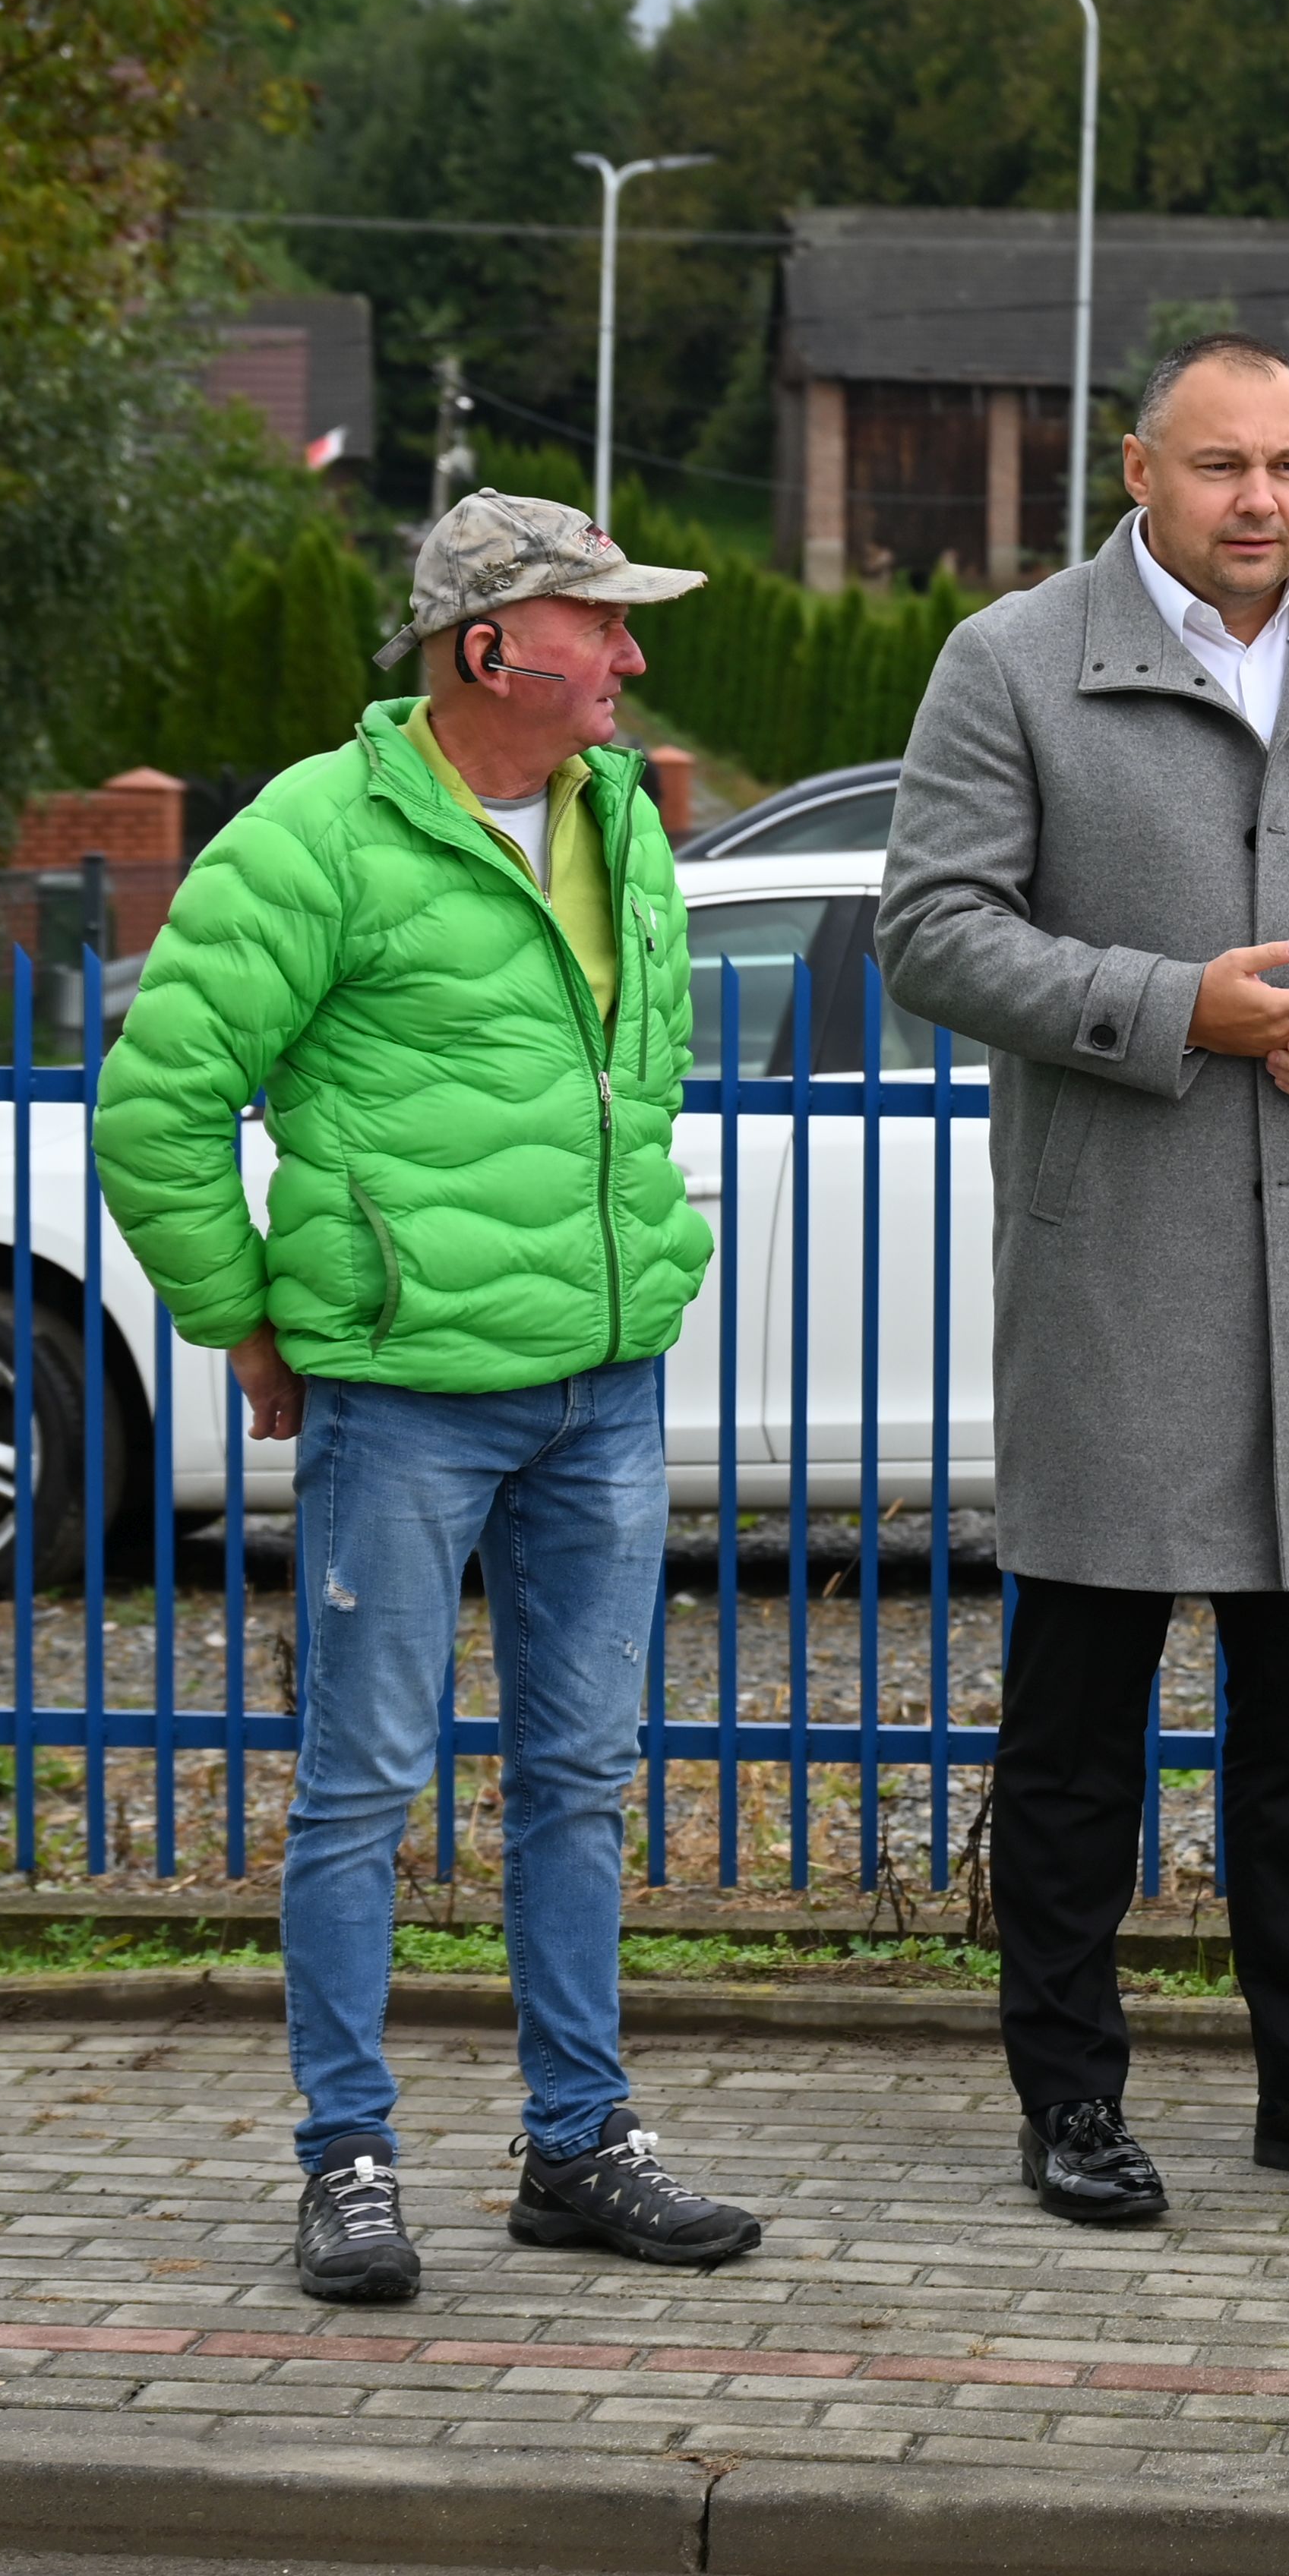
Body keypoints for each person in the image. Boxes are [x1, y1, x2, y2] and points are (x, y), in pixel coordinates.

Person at [877, 331, 1289, 2227]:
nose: (1264, 501)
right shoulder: (1010, 660)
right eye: (1225, 465)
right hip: (1117, 1278)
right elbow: (929, 925)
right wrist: (1176, 1007)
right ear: (1138, 467)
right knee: (1079, 1741)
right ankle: (1070, 2095)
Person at [93, 490, 761, 2306]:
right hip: (405, 1397)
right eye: (600, 624)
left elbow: (641, 1078)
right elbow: (154, 1109)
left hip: (602, 1387)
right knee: (361, 1786)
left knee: (583, 1779)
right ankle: (349, 2160)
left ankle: (578, 2142)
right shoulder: (317, 834)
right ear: (492, 650)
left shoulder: (619, 813)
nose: (631, 653)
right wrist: (246, 1315)